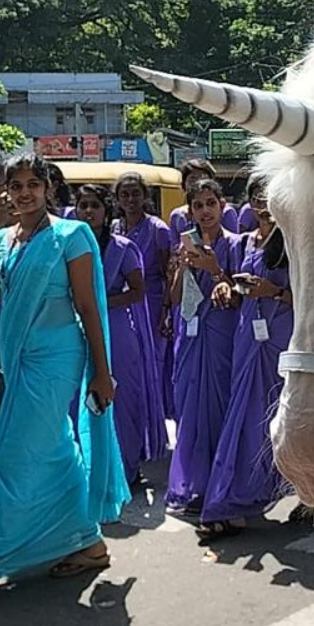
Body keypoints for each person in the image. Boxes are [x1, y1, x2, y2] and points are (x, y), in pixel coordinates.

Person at [0, 154, 129, 603]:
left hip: (59, 358)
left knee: (14, 458)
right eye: (15, 185)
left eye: (32, 184)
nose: (24, 193)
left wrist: (102, 371)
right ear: (6, 192)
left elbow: (88, 307)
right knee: (53, 450)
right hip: (16, 359)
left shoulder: (70, 235)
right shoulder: (1, 241)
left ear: (48, 189)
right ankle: (86, 541)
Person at [198, 179, 293, 535]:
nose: (264, 204)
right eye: (257, 198)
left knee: (280, 416)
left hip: (280, 337)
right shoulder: (244, 242)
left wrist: (275, 291)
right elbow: (237, 293)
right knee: (243, 416)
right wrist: (224, 283)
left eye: (270, 197)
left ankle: (296, 492)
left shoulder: (295, 242)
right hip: (246, 336)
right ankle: (236, 494)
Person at [76, 183, 164, 483]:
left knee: (122, 399)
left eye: (95, 206)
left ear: (106, 210)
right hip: (78, 330)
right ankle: (88, 468)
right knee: (82, 398)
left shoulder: (123, 248)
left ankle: (125, 467)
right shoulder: (69, 245)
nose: (89, 211)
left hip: (116, 330)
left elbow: (138, 292)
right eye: (83, 205)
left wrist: (99, 303)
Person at [165, 179, 242, 518]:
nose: (205, 211)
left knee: (220, 407)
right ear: (189, 211)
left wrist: (215, 270)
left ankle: (221, 484)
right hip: (190, 333)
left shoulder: (238, 245)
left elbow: (242, 293)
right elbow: (176, 297)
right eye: (198, 205)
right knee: (190, 408)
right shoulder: (186, 246)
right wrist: (183, 264)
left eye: (211, 203)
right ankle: (194, 484)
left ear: (222, 205)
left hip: (222, 332)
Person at [113, 172, 175, 434]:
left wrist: (165, 313)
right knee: (126, 370)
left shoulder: (157, 230)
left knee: (150, 367)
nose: (130, 199)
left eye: (135, 193)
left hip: (151, 304)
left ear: (145, 196)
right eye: (124, 194)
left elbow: (167, 273)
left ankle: (150, 431)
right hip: (119, 308)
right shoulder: (114, 228)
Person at [168, 159, 239, 243]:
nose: (198, 182)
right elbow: (174, 248)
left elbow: (234, 244)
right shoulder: (177, 216)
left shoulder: (226, 212)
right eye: (192, 179)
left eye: (203, 177)